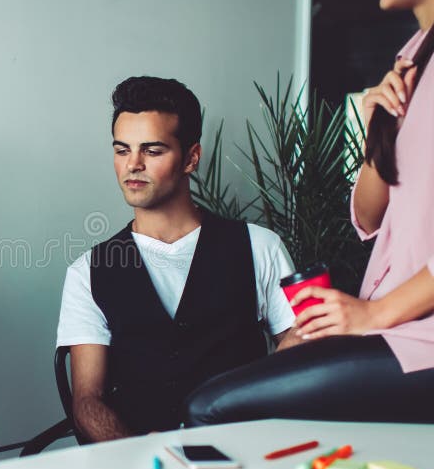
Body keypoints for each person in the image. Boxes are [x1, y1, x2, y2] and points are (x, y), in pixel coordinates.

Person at [183, 0, 434, 427]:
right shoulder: (411, 60)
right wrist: (380, 134)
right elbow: (368, 216)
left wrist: (374, 313)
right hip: (392, 328)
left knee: (211, 407)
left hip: (416, 336)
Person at [55, 76, 297, 442]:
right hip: (137, 464)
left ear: (191, 158)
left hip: (247, 451)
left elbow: (299, 349)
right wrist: (136, 453)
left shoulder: (259, 247)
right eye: (122, 150)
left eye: (152, 151)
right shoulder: (86, 272)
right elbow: (88, 401)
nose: (133, 164)